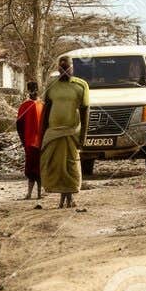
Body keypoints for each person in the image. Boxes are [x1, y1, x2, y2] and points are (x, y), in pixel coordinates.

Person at [40, 56, 91, 209]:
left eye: (67, 68)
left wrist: (83, 136)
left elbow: (85, 113)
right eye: (62, 68)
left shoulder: (81, 86)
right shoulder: (51, 84)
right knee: (53, 165)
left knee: (71, 166)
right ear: (58, 69)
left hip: (71, 132)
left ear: (72, 68)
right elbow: (46, 110)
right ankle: (62, 198)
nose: (64, 71)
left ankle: (70, 197)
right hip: (53, 133)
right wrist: (42, 133)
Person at [15, 81, 44, 199]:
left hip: (35, 142)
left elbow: (19, 126)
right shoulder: (36, 105)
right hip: (36, 142)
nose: (33, 92)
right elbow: (19, 125)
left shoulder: (31, 106)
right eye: (33, 90)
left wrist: (23, 140)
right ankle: (34, 193)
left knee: (35, 169)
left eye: (33, 90)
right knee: (35, 168)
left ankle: (33, 193)